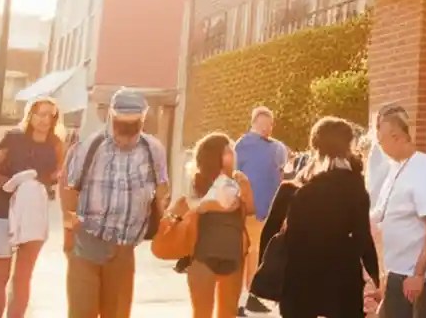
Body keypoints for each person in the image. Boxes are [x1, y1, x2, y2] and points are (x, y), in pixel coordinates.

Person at [62, 88, 170, 318]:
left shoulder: (153, 149)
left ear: (143, 119)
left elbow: (162, 188)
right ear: (112, 116)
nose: (127, 131)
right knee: (82, 312)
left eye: (133, 125)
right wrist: (69, 231)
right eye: (122, 124)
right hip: (88, 242)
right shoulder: (91, 146)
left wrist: (161, 215)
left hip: (125, 248)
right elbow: (71, 188)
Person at [259, 117, 379, 318]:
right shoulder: (354, 189)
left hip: (298, 278)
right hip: (342, 279)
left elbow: (269, 232)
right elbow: (362, 237)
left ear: (314, 145)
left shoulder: (293, 189)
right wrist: (374, 276)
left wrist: (268, 272)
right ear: (348, 146)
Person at [369, 107, 426, 318]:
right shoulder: (396, 169)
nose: (380, 146)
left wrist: (419, 274)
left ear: (396, 137)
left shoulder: (424, 169)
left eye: (381, 141)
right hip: (399, 272)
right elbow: (381, 214)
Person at [0, 97, 65, 318]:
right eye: (41, 114)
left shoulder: (56, 144)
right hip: (2, 209)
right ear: (31, 114)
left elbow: (60, 173)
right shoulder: (13, 138)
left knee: (23, 277)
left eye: (50, 115)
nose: (45, 119)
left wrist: (44, 179)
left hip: (33, 211)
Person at [170, 133, 254, 318]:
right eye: (227, 152)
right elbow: (183, 208)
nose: (233, 155)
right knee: (201, 313)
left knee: (228, 312)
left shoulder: (238, 180)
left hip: (233, 254)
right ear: (214, 156)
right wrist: (210, 206)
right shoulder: (197, 181)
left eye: (232, 151)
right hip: (202, 254)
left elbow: (250, 209)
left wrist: (245, 189)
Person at [234, 106, 287, 316]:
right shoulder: (243, 145)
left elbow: (282, 176)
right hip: (249, 210)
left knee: (259, 254)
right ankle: (242, 298)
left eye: (270, 124)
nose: (267, 128)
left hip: (270, 210)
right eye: (264, 123)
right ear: (254, 122)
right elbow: (234, 175)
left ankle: (252, 296)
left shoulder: (278, 147)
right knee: (247, 253)